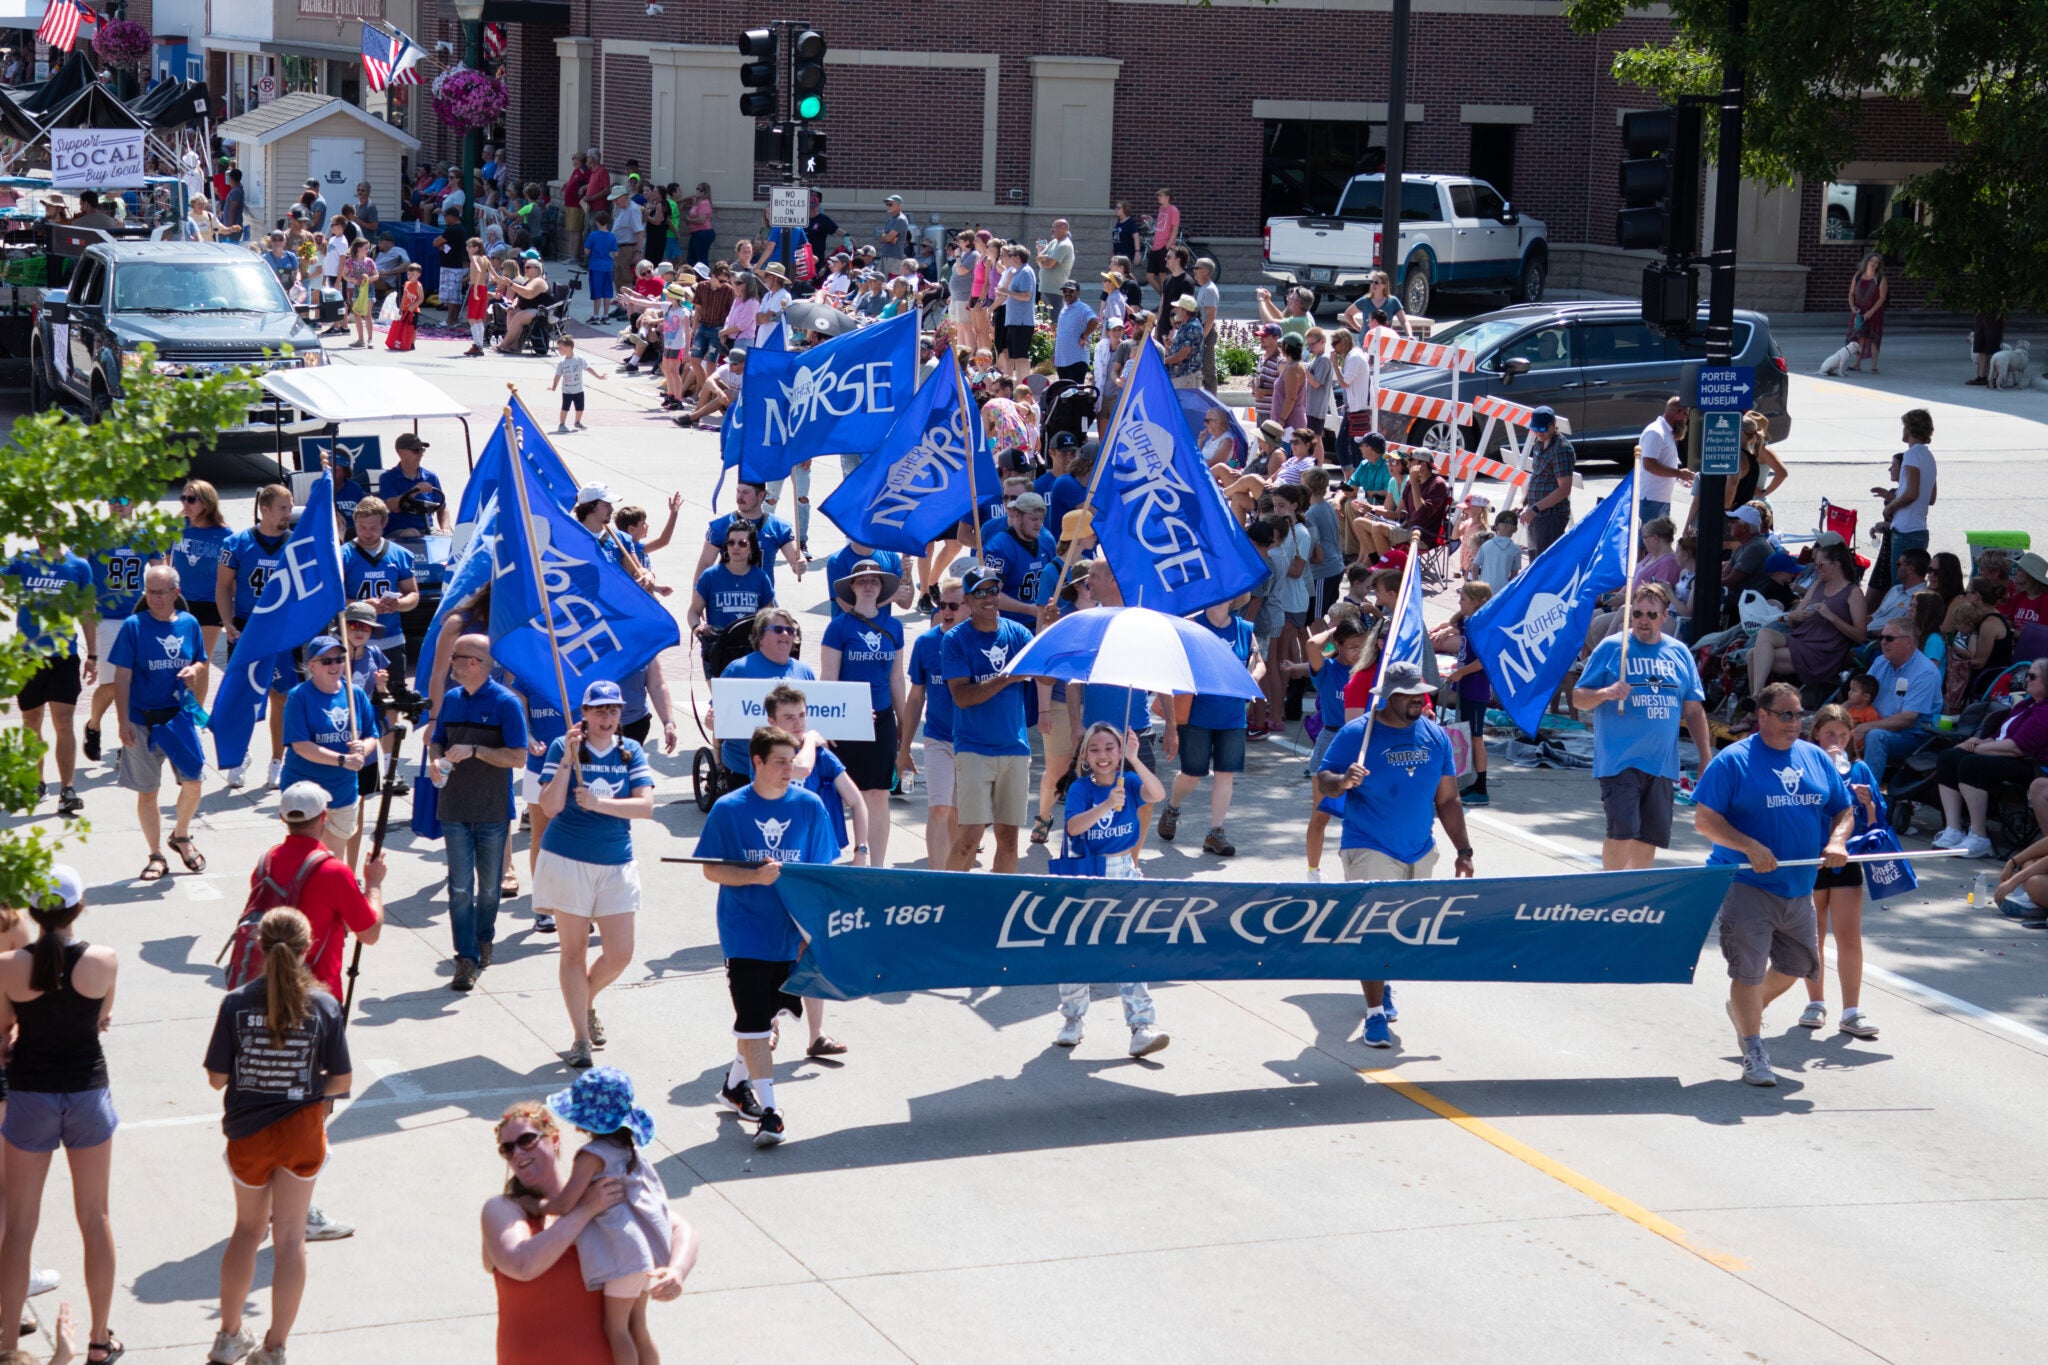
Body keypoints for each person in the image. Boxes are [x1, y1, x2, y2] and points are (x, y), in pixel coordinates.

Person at [203, 908, 351, 1365]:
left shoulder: (236, 1003)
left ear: (260, 946)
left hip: (248, 1132)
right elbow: (341, 1081)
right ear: (308, 948)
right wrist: (308, 1089)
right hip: (302, 1130)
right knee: (290, 1239)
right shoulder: (323, 1005)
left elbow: (215, 1077)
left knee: (247, 1230)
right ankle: (275, 1347)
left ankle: (228, 1337)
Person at [1692, 681, 1854, 1086]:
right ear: (1761, 716)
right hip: (1746, 883)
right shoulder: (1733, 762)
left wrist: (1837, 840)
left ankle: (1745, 1007)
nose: (1794, 722)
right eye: (1785, 714)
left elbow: (1843, 810)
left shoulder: (1815, 758)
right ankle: (1753, 1047)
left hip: (1799, 886)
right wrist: (1748, 846)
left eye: (1799, 714)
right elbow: (1705, 821)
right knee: (1747, 970)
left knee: (1799, 966)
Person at [1315, 660, 1476, 1048]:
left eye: (1423, 694)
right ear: (1389, 697)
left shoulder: (1435, 737)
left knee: (1402, 934)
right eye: (1409, 695)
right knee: (1373, 932)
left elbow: (1449, 799)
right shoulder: (1359, 733)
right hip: (1369, 845)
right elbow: (1323, 779)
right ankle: (1374, 1014)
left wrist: (1464, 850)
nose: (1419, 701)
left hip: (1419, 850)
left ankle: (1382, 984)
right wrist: (1343, 780)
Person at [696, 725, 842, 1147]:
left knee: (767, 1016)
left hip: (790, 934)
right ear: (756, 762)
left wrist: (811, 930)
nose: (789, 768)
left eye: (792, 759)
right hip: (745, 934)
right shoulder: (729, 808)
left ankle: (733, 1086)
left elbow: (821, 871)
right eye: (779, 761)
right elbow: (710, 869)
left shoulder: (810, 806)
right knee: (757, 1025)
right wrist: (754, 877)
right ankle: (772, 1113)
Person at [0, 867, 117, 1363]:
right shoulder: (104, 960)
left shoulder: (8, 965)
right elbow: (103, 1019)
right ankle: (98, 1338)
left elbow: (4, 1029)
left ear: (32, 912)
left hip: (30, 1095)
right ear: (79, 907)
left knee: (20, 1225)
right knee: (96, 1217)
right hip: (88, 1095)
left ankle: (7, 1345)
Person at [484, 1101, 698, 1365]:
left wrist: (677, 1271)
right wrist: (584, 1211)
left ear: (554, 1139)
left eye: (526, 1140)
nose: (517, 1152)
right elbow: (522, 1264)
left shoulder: (601, 1194)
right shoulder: (504, 1209)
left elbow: (679, 1227)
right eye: (507, 1148)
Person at [537, 681, 657, 1069]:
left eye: (614, 710)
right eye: (599, 710)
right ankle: (580, 1038)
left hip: (615, 861)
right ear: (584, 714)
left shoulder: (630, 750)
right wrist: (569, 761)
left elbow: (645, 807)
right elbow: (550, 807)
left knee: (620, 953)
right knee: (573, 951)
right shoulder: (563, 746)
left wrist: (599, 803)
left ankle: (584, 1001)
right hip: (567, 859)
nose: (607, 718)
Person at [526, 1069, 671, 1365]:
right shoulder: (627, 1148)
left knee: (616, 1329)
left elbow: (566, 1203)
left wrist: (534, 1205)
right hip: (643, 1254)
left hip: (623, 1255)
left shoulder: (592, 1155)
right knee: (638, 1327)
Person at [1570, 583, 1712, 869]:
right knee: (1622, 832)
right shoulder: (1613, 648)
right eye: (1637, 614)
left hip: (1661, 764)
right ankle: (1612, 891)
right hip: (1620, 761)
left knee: (1649, 838)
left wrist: (1705, 756)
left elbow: (1694, 710)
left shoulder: (1680, 653)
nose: (1643, 620)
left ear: (1664, 616)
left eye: (1650, 614)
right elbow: (1578, 698)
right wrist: (1606, 693)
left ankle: (1636, 895)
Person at [1053, 724, 1171, 1055]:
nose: (1102, 756)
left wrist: (1134, 759)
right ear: (1085, 756)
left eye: (1110, 748)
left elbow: (1158, 794)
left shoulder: (1130, 782)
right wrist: (1106, 806)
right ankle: (1073, 1020)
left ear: (1118, 753)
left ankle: (1142, 1026)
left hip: (1123, 871)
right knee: (1077, 945)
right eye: (1094, 749)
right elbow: (1074, 827)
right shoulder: (1079, 788)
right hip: (1087, 872)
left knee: (1130, 948)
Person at [430, 635, 529, 992]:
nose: (450, 662)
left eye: (455, 657)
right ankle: (466, 957)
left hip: (491, 811)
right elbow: (437, 739)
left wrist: (475, 750)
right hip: (453, 808)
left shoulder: (506, 704)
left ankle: (484, 937)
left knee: (488, 889)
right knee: (459, 888)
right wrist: (434, 761)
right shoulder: (452, 700)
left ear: (474, 663)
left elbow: (518, 757)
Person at [108, 565, 208, 882]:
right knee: (148, 792)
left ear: (176, 593)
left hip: (179, 720)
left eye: (161, 592)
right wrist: (122, 720)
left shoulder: (189, 624)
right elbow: (121, 677)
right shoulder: (133, 626)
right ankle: (155, 854)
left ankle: (180, 835)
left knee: (194, 782)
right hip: (141, 720)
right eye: (150, 592)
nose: (154, 598)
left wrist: (196, 671)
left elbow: (201, 659)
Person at [942, 566, 1036, 873]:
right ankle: (944, 901)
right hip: (974, 749)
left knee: (1009, 840)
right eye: (980, 592)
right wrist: (1006, 678)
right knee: (970, 835)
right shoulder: (955, 640)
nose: (989, 598)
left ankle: (998, 905)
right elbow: (962, 697)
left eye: (993, 590)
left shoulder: (1019, 634)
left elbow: (1046, 677)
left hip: (1015, 748)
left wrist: (1048, 627)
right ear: (968, 600)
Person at [1799, 706, 1884, 1042]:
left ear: (1852, 738)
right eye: (1830, 734)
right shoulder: (1804, 764)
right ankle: (1815, 1002)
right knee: (1813, 933)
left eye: (1843, 735)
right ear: (1817, 735)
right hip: (1813, 856)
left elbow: (1877, 823)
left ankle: (1852, 1011)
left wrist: (1868, 804)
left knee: (1849, 934)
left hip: (1847, 857)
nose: (1836, 741)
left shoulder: (1860, 769)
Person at [1161, 595, 1262, 858]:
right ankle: (1172, 807)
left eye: (1225, 595)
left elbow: (1259, 662)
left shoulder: (1244, 629)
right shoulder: (1190, 626)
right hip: (1197, 714)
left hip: (1232, 715)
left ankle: (1215, 832)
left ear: (1233, 600)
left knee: (1225, 772)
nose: (1218, 599)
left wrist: (1250, 681)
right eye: (1214, 594)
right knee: (1192, 773)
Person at [820, 560, 905, 868]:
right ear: (852, 587)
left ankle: (876, 864)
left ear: (882, 588)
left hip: (881, 718)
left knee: (878, 793)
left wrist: (904, 724)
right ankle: (850, 855)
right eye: (862, 581)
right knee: (843, 791)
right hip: (846, 719)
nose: (868, 585)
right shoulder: (839, 626)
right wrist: (826, 725)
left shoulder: (894, 627)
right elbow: (828, 677)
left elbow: (896, 678)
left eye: (874, 580)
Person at [217, 485, 298, 788]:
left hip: (280, 630)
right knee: (242, 694)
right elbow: (223, 587)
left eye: (290, 508)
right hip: (246, 627)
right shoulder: (236, 543)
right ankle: (238, 756)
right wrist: (227, 623)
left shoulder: (295, 544)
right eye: (283, 508)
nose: (288, 514)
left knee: (281, 695)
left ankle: (277, 760)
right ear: (264, 509)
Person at [6, 540, 94, 818]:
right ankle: (36, 784)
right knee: (31, 721)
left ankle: (67, 790)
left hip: (63, 655)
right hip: (29, 656)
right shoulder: (23, 560)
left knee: (64, 721)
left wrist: (92, 654)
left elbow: (87, 612)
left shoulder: (78, 565)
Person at [1932, 659, 2048, 859]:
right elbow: (1998, 735)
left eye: (2032, 676)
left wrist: (1980, 749)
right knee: (1949, 757)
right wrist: (1977, 741)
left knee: (1972, 763)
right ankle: (1954, 828)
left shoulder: (2044, 712)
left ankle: (1979, 836)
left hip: (2028, 764)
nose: (2025, 679)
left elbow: (2017, 748)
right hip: (2003, 752)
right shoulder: (2026, 705)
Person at [279, 635, 382, 859]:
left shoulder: (355, 694)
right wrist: (343, 760)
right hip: (305, 793)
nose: (334, 665)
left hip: (343, 792)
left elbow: (372, 735)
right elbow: (301, 746)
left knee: (333, 860)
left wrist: (363, 748)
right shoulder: (299, 697)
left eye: (339, 659)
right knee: (307, 861)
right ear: (312, 666)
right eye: (326, 661)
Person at [1745, 542, 1868, 698]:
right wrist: (1795, 617)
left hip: (1823, 651)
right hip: (1802, 640)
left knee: (1753, 655)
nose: (1816, 568)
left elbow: (1860, 635)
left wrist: (1832, 617)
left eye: (1820, 565)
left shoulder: (1853, 592)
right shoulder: (1818, 585)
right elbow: (1793, 619)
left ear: (1835, 565)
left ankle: (1756, 704)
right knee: (1764, 634)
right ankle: (1757, 698)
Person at [900, 581, 965, 868]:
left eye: (954, 605)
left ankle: (957, 875)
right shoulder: (926, 643)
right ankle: (938, 878)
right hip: (938, 738)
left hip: (973, 742)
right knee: (940, 807)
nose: (946, 611)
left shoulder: (979, 642)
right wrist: (903, 750)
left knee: (962, 815)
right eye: (942, 605)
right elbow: (915, 698)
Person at [1856, 617, 1944, 788]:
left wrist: (1866, 727)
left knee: (1875, 736)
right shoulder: (1881, 662)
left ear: (1908, 642)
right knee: (1831, 723)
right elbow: (1859, 695)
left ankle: (1865, 797)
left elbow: (1907, 719)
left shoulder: (1926, 672)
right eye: (1881, 638)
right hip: (1873, 722)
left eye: (1889, 638)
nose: (1883, 642)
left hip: (1910, 736)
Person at [342, 496, 420, 688]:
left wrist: (398, 604)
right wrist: (362, 606)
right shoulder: (343, 555)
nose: (367, 533)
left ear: (384, 523)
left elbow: (413, 595)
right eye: (362, 527)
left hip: (390, 639)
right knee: (355, 702)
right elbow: (333, 599)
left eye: (373, 528)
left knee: (392, 701)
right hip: (354, 640)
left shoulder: (399, 554)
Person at [1878, 408, 1936, 582]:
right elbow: (1930, 498)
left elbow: (1911, 493)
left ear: (1910, 428)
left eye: (1904, 427)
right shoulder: (1929, 457)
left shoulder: (1911, 455)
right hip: (1919, 529)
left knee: (1900, 586)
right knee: (1913, 583)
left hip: (1905, 531)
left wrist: (1890, 506)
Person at [1517, 406, 1575, 553]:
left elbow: (1564, 489)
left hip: (1551, 516)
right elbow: (1536, 475)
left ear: (1553, 424)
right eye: (1535, 429)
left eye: (1543, 429)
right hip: (1535, 514)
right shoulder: (1538, 444)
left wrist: (1535, 508)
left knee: (1544, 562)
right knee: (1534, 558)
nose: (1539, 433)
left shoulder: (1561, 448)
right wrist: (1523, 501)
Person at [1637, 396, 1693, 524]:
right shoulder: (1656, 432)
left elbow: (1664, 462)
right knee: (1648, 540)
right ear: (1677, 412)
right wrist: (1678, 473)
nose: (1685, 419)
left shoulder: (1667, 432)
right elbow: (1649, 464)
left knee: (1657, 541)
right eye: (1685, 414)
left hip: (1661, 498)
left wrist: (1679, 478)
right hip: (1650, 498)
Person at [551, 335, 606, 434]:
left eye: (560, 348)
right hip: (567, 390)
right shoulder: (562, 363)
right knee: (565, 408)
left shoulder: (578, 358)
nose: (558, 350)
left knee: (580, 407)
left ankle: (577, 422)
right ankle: (562, 424)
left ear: (568, 347)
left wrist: (599, 376)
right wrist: (553, 387)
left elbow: (588, 368)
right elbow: (558, 376)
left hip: (578, 389)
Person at [1846, 252, 1887, 373]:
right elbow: (1851, 293)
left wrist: (1871, 311)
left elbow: (1882, 298)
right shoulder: (1858, 275)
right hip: (1859, 312)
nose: (1873, 264)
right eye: (1872, 261)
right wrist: (1852, 306)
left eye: (1876, 262)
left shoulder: (1880, 278)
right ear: (1867, 261)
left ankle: (1874, 366)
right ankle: (1857, 364)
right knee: (1860, 337)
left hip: (1874, 313)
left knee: (1874, 338)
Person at [1054, 280, 1098, 384]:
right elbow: (1060, 333)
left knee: (1075, 394)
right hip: (1062, 360)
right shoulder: (1063, 310)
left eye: (1071, 291)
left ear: (1078, 293)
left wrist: (1084, 336)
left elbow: (1094, 321)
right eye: (1065, 291)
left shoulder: (1083, 308)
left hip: (1077, 360)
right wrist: (1055, 353)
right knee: (1064, 394)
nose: (1067, 293)